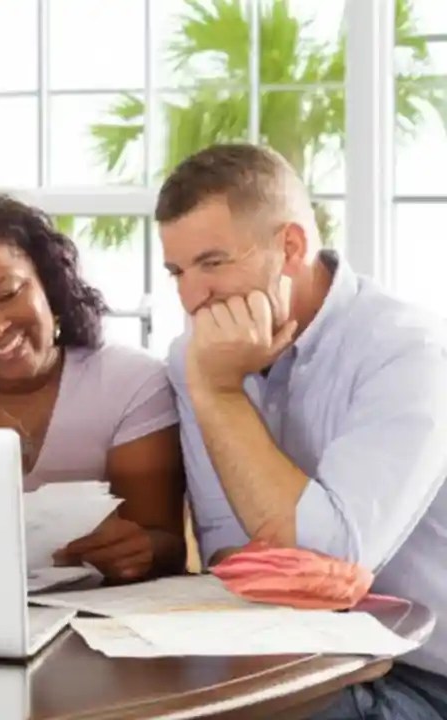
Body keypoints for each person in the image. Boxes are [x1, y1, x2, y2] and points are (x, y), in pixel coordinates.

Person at [159, 143, 447, 719]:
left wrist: (218, 394)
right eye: (177, 272)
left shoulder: (407, 350)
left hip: (423, 673)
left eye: (213, 263)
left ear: (290, 246)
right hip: (295, 658)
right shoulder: (195, 353)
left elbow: (322, 559)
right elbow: (230, 556)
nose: (192, 298)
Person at [0, 195, 187, 582]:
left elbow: (168, 545)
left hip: (100, 612)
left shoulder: (132, 381)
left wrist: (142, 551)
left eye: (8, 294)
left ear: (49, 283)